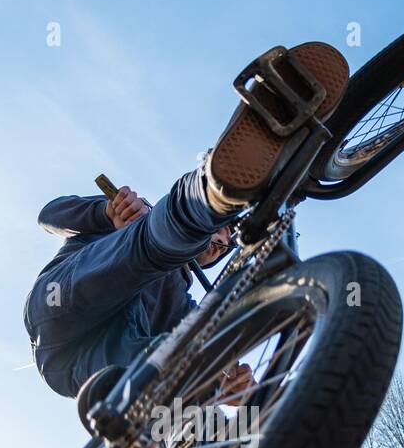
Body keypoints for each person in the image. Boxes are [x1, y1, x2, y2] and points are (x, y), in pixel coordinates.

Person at [24, 41, 349, 424]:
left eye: (225, 243)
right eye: (220, 233)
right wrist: (105, 213)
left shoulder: (181, 303)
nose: (221, 243)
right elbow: (49, 214)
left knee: (184, 357)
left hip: (94, 363)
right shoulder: (122, 225)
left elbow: (193, 342)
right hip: (61, 316)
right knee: (148, 243)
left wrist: (226, 378)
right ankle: (208, 197)